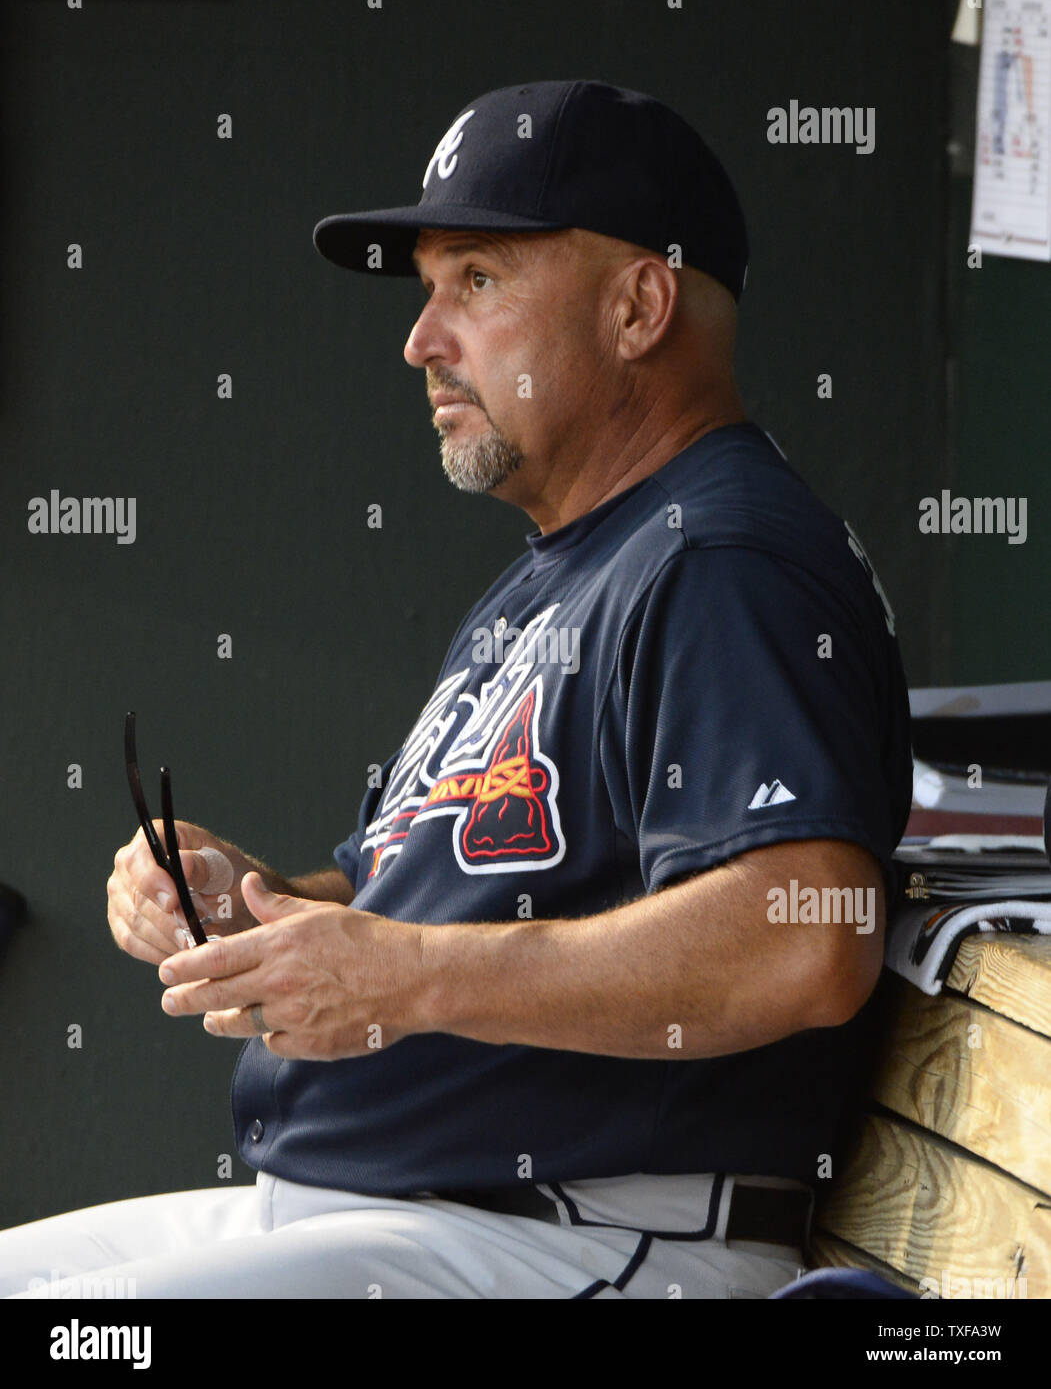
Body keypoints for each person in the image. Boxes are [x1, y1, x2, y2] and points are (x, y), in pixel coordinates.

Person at [0, 79, 912, 1300]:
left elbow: (808, 937)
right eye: (428, 290)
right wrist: (254, 904)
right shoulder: (561, 570)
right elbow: (405, 897)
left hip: (579, 1234)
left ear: (639, 305)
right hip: (371, 1212)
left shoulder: (719, 559)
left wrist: (401, 976)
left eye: (476, 281)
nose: (422, 339)